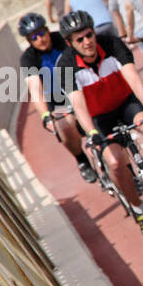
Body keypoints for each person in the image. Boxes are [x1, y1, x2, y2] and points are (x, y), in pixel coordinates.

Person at [55, 10, 143, 241]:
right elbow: (78, 104)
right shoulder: (66, 66)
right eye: (79, 39)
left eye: (89, 35)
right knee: (115, 162)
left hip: (126, 103)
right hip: (98, 117)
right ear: (70, 43)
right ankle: (139, 209)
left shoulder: (111, 44)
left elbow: (133, 77)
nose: (87, 42)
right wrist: (91, 133)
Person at [18, 11, 96, 184]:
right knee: (65, 128)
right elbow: (35, 89)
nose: (40, 39)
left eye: (41, 33)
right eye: (34, 37)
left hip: (81, 87)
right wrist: (46, 115)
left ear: (47, 30)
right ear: (28, 41)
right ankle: (82, 160)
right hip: (58, 99)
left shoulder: (63, 40)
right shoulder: (28, 58)